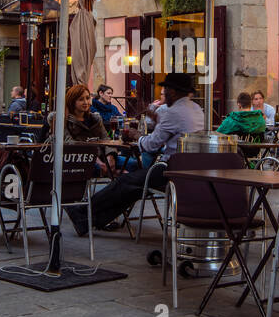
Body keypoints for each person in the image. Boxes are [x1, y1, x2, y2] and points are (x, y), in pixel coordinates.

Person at [65, 72, 204, 235]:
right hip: (191, 168)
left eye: (165, 90)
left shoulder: (173, 112)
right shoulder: (196, 109)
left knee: (126, 181)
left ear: (172, 91)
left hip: (172, 169)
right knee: (133, 186)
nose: (164, 93)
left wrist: (136, 136)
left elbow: (151, 145)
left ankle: (83, 213)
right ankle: (93, 219)